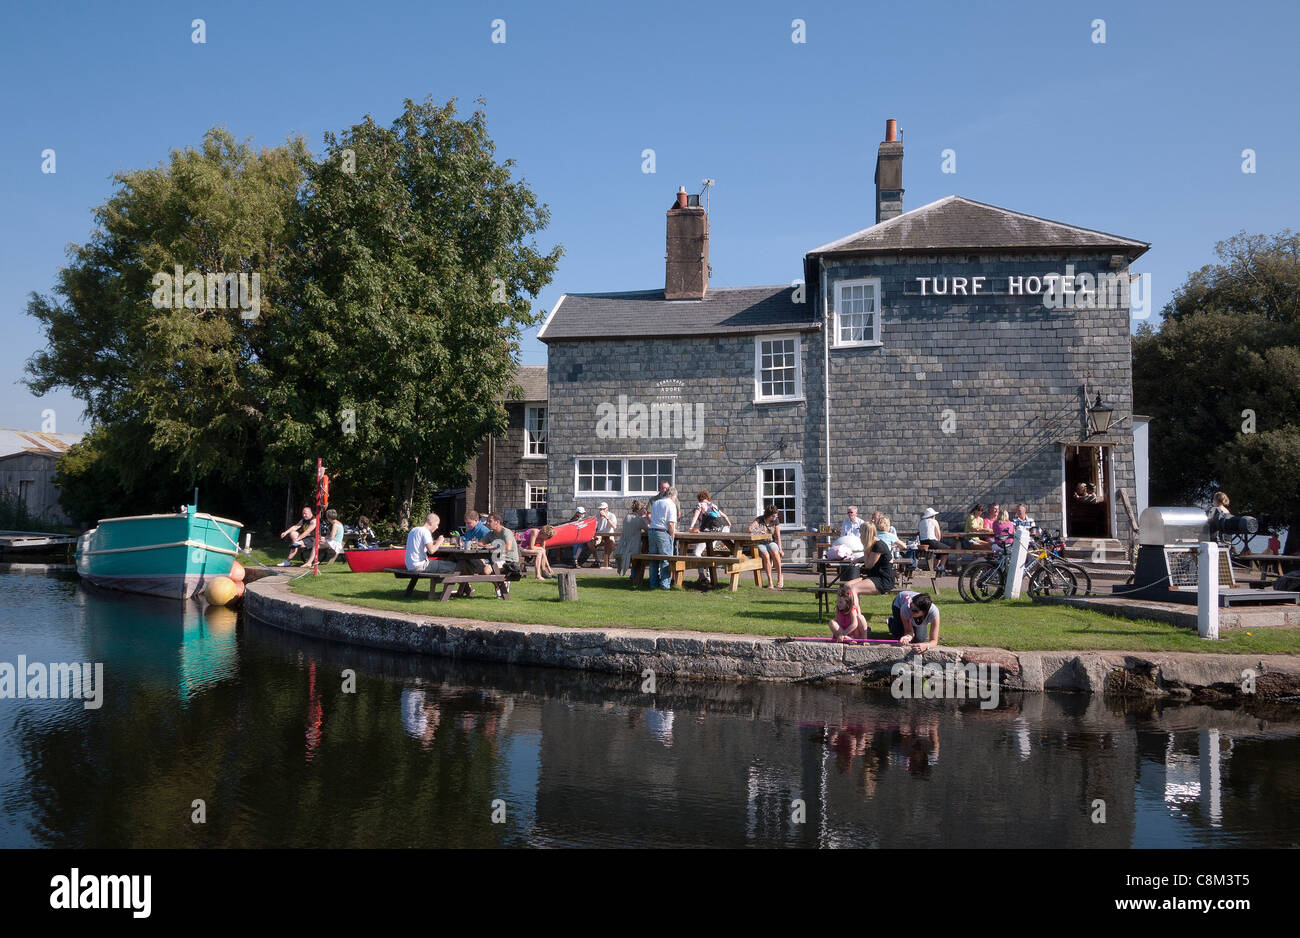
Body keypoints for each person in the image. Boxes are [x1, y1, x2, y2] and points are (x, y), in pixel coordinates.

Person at [687, 490, 732, 587]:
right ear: (708, 497)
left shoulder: (700, 505)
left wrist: (691, 527)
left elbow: (695, 517)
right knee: (709, 553)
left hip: (706, 532)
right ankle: (709, 577)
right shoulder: (713, 505)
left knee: (696, 553)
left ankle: (701, 574)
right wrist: (729, 525)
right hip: (716, 532)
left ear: (699, 498)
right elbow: (725, 516)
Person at [474, 512, 522, 598]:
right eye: (487, 521)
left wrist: (494, 547)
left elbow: (508, 547)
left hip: (509, 561)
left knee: (486, 570)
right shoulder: (491, 534)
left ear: (497, 522)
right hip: (496, 559)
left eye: (490, 521)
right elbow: (479, 543)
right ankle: (500, 586)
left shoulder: (506, 532)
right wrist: (486, 545)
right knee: (478, 567)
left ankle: (502, 585)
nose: (487, 523)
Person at [845, 525, 896, 597]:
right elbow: (871, 556)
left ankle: (854, 608)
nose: (860, 535)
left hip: (883, 579)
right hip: (873, 576)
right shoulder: (873, 543)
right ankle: (850, 607)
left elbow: (868, 565)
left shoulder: (878, 546)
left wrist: (865, 548)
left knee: (853, 588)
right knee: (847, 585)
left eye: (861, 533)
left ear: (866, 534)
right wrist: (857, 560)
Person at [646, 485, 679, 589]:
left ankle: (653, 584)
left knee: (653, 559)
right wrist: (672, 537)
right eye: (675, 497)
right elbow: (670, 524)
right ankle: (665, 585)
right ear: (673, 495)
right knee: (666, 559)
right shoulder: (671, 505)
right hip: (662, 532)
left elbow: (651, 518)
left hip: (651, 531)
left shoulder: (656, 502)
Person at [748, 504, 786, 590]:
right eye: (773, 516)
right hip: (760, 542)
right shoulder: (759, 519)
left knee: (775, 553)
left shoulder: (775, 521)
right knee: (766, 556)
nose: (775, 517)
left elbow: (778, 537)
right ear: (768, 515)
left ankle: (780, 576)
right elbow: (750, 529)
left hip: (770, 542)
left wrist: (780, 549)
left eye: (776, 515)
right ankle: (770, 582)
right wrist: (759, 531)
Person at [614, 501, 649, 575]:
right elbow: (648, 530)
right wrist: (647, 519)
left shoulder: (627, 517)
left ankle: (633, 575)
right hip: (633, 548)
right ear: (640, 509)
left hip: (623, 547)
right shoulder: (639, 519)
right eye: (644, 509)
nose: (646, 511)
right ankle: (635, 576)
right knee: (642, 557)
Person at [915, 507, 950, 573]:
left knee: (939, 551)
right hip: (931, 541)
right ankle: (942, 567)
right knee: (946, 549)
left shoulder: (921, 522)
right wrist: (938, 541)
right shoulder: (934, 521)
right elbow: (938, 534)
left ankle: (935, 568)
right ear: (932, 516)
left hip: (922, 543)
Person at [588, 502, 619, 568]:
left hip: (609, 534)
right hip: (599, 535)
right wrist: (594, 535)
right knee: (590, 543)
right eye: (600, 509)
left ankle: (607, 561)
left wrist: (606, 517)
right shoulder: (597, 516)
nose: (601, 511)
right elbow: (594, 528)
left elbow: (614, 527)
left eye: (603, 509)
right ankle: (597, 560)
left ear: (607, 508)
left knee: (610, 543)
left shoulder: (611, 515)